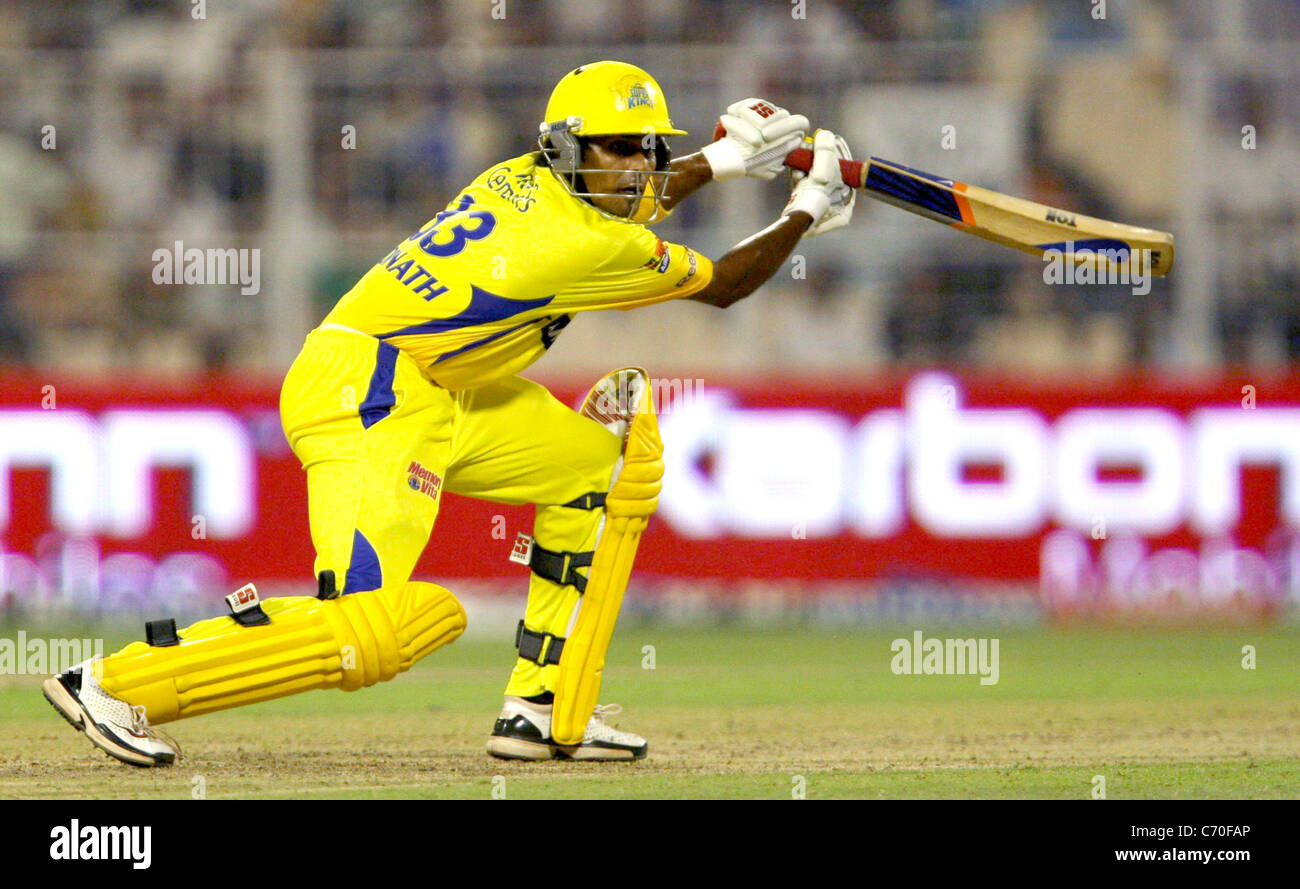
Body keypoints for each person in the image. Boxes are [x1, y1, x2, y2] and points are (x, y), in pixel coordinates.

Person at [42, 61, 855, 765]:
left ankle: (538, 706)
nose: (644, 167)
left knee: (595, 472)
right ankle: (113, 683)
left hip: (445, 385)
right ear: (570, 151)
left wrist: (718, 159)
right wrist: (806, 207)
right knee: (365, 630)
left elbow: (627, 197)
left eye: (652, 147)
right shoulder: (582, 243)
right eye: (624, 148)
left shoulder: (531, 174)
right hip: (369, 391)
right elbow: (725, 284)